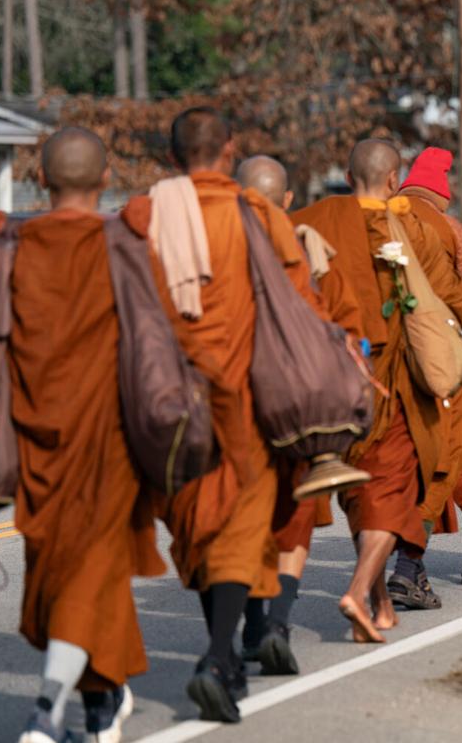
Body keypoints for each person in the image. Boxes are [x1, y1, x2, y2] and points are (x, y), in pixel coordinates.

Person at [122, 108, 330, 722]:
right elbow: (299, 305)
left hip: (164, 405)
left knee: (199, 527)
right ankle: (216, 658)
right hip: (241, 402)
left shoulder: (142, 216)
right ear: (230, 149)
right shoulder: (259, 213)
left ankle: (230, 659)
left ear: (172, 156)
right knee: (239, 528)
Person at [0, 128, 165, 743]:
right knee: (88, 575)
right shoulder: (122, 248)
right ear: (103, 179)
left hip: (33, 441)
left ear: (41, 178)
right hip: (108, 439)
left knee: (79, 573)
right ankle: (50, 707)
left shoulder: (8, 249)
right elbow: (154, 345)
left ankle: (100, 701)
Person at [292, 139, 462, 641]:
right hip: (387, 380)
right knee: (392, 489)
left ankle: (380, 605)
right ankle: (358, 590)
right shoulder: (407, 224)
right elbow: (447, 290)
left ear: (348, 173)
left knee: (360, 491)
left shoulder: (311, 217)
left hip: (323, 379)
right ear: (394, 178)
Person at [235, 155, 361, 674]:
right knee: (294, 517)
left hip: (235, 411)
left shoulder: (218, 249)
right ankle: (279, 622)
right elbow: (346, 327)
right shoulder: (306, 246)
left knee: (240, 517)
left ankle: (250, 624)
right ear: (287, 200)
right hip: (297, 412)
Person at [395, 147, 462, 591]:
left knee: (405, 461)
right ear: (443, 188)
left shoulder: (380, 220)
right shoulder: (450, 228)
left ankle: (406, 561)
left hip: (388, 360)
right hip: (446, 357)